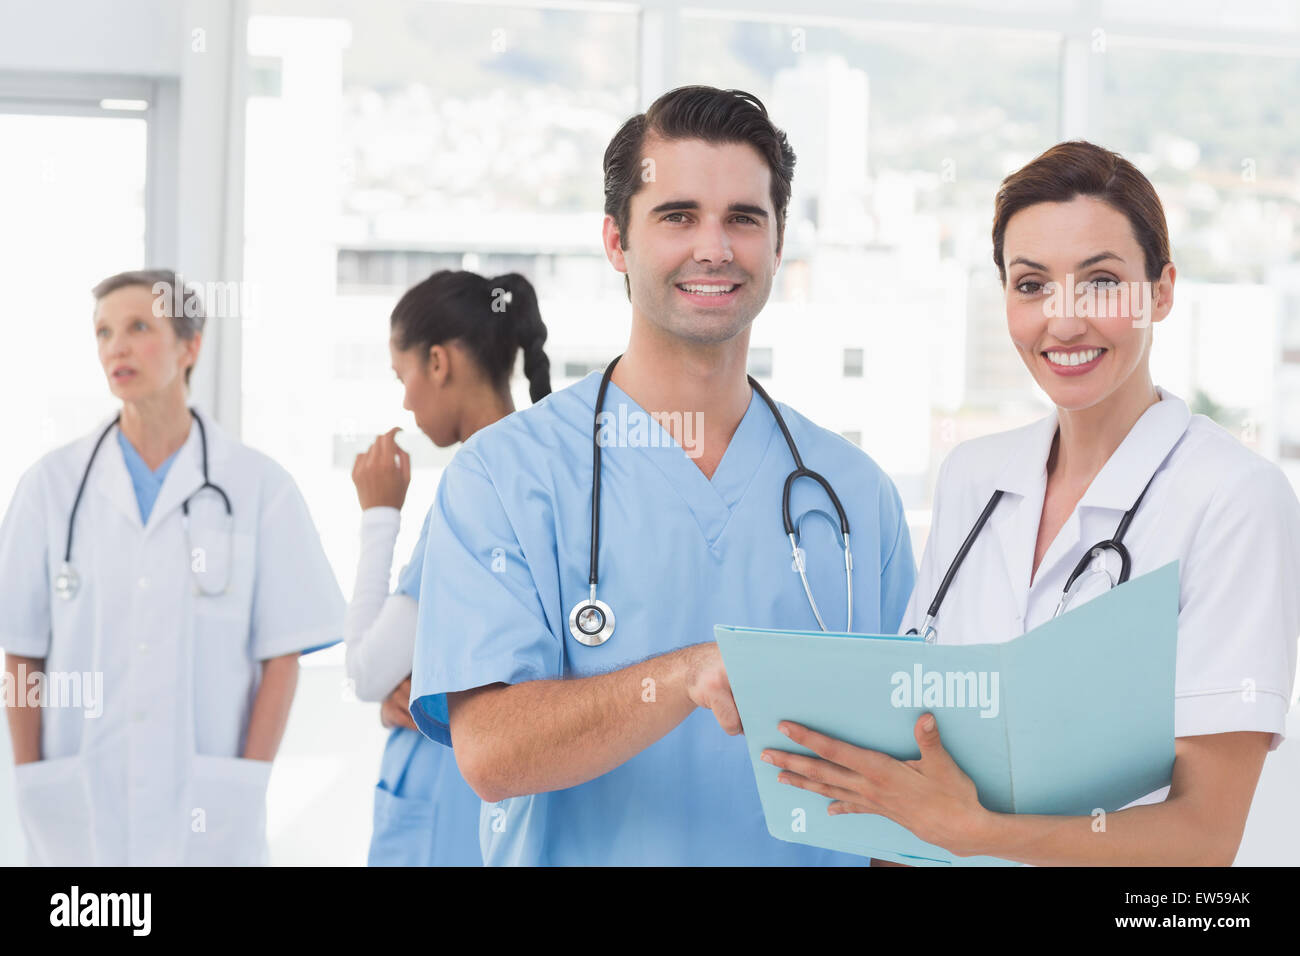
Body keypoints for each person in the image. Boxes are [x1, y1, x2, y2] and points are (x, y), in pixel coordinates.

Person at [407, 85, 916, 865]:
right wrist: (685, 677)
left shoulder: (853, 494)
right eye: (678, 216)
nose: (714, 248)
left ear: (778, 245)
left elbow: (898, 782)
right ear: (617, 241)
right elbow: (491, 754)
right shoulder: (503, 477)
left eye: (743, 219)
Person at [761, 141, 1300, 866]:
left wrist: (975, 832)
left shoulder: (1233, 498)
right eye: (1032, 284)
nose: (1064, 321)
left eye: (1101, 282)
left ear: (1162, 291)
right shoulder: (972, 479)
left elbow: (1203, 836)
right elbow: (919, 743)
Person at [0, 269, 344, 866]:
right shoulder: (50, 486)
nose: (117, 347)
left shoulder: (258, 486)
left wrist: (248, 777)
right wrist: (33, 778)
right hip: (76, 804)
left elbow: (280, 657)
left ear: (191, 346)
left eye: (138, 327)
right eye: (104, 332)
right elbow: (20, 651)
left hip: (210, 810)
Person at [345, 270, 551, 866]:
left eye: (402, 375)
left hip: (447, 803)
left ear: (438, 362)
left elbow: (365, 670)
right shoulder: (547, 473)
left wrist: (379, 515)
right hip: (508, 802)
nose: (405, 400)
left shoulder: (472, 493)